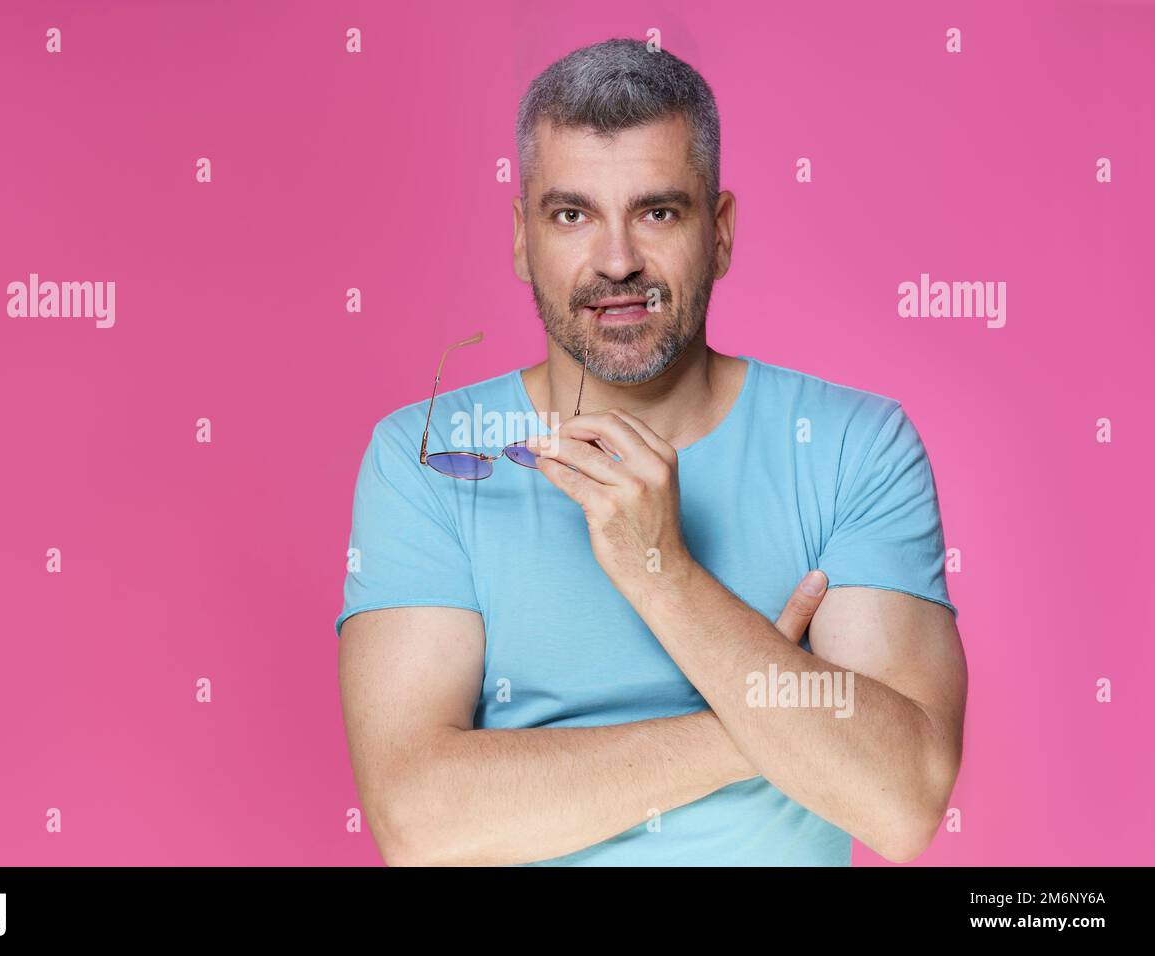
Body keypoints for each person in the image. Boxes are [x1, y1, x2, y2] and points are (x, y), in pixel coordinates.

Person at [335, 38, 967, 866]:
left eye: (658, 211)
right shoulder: (421, 456)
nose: (618, 260)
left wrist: (660, 568)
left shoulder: (856, 445)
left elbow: (901, 801)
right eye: (572, 215)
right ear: (523, 238)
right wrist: (768, 720)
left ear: (723, 232)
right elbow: (419, 821)